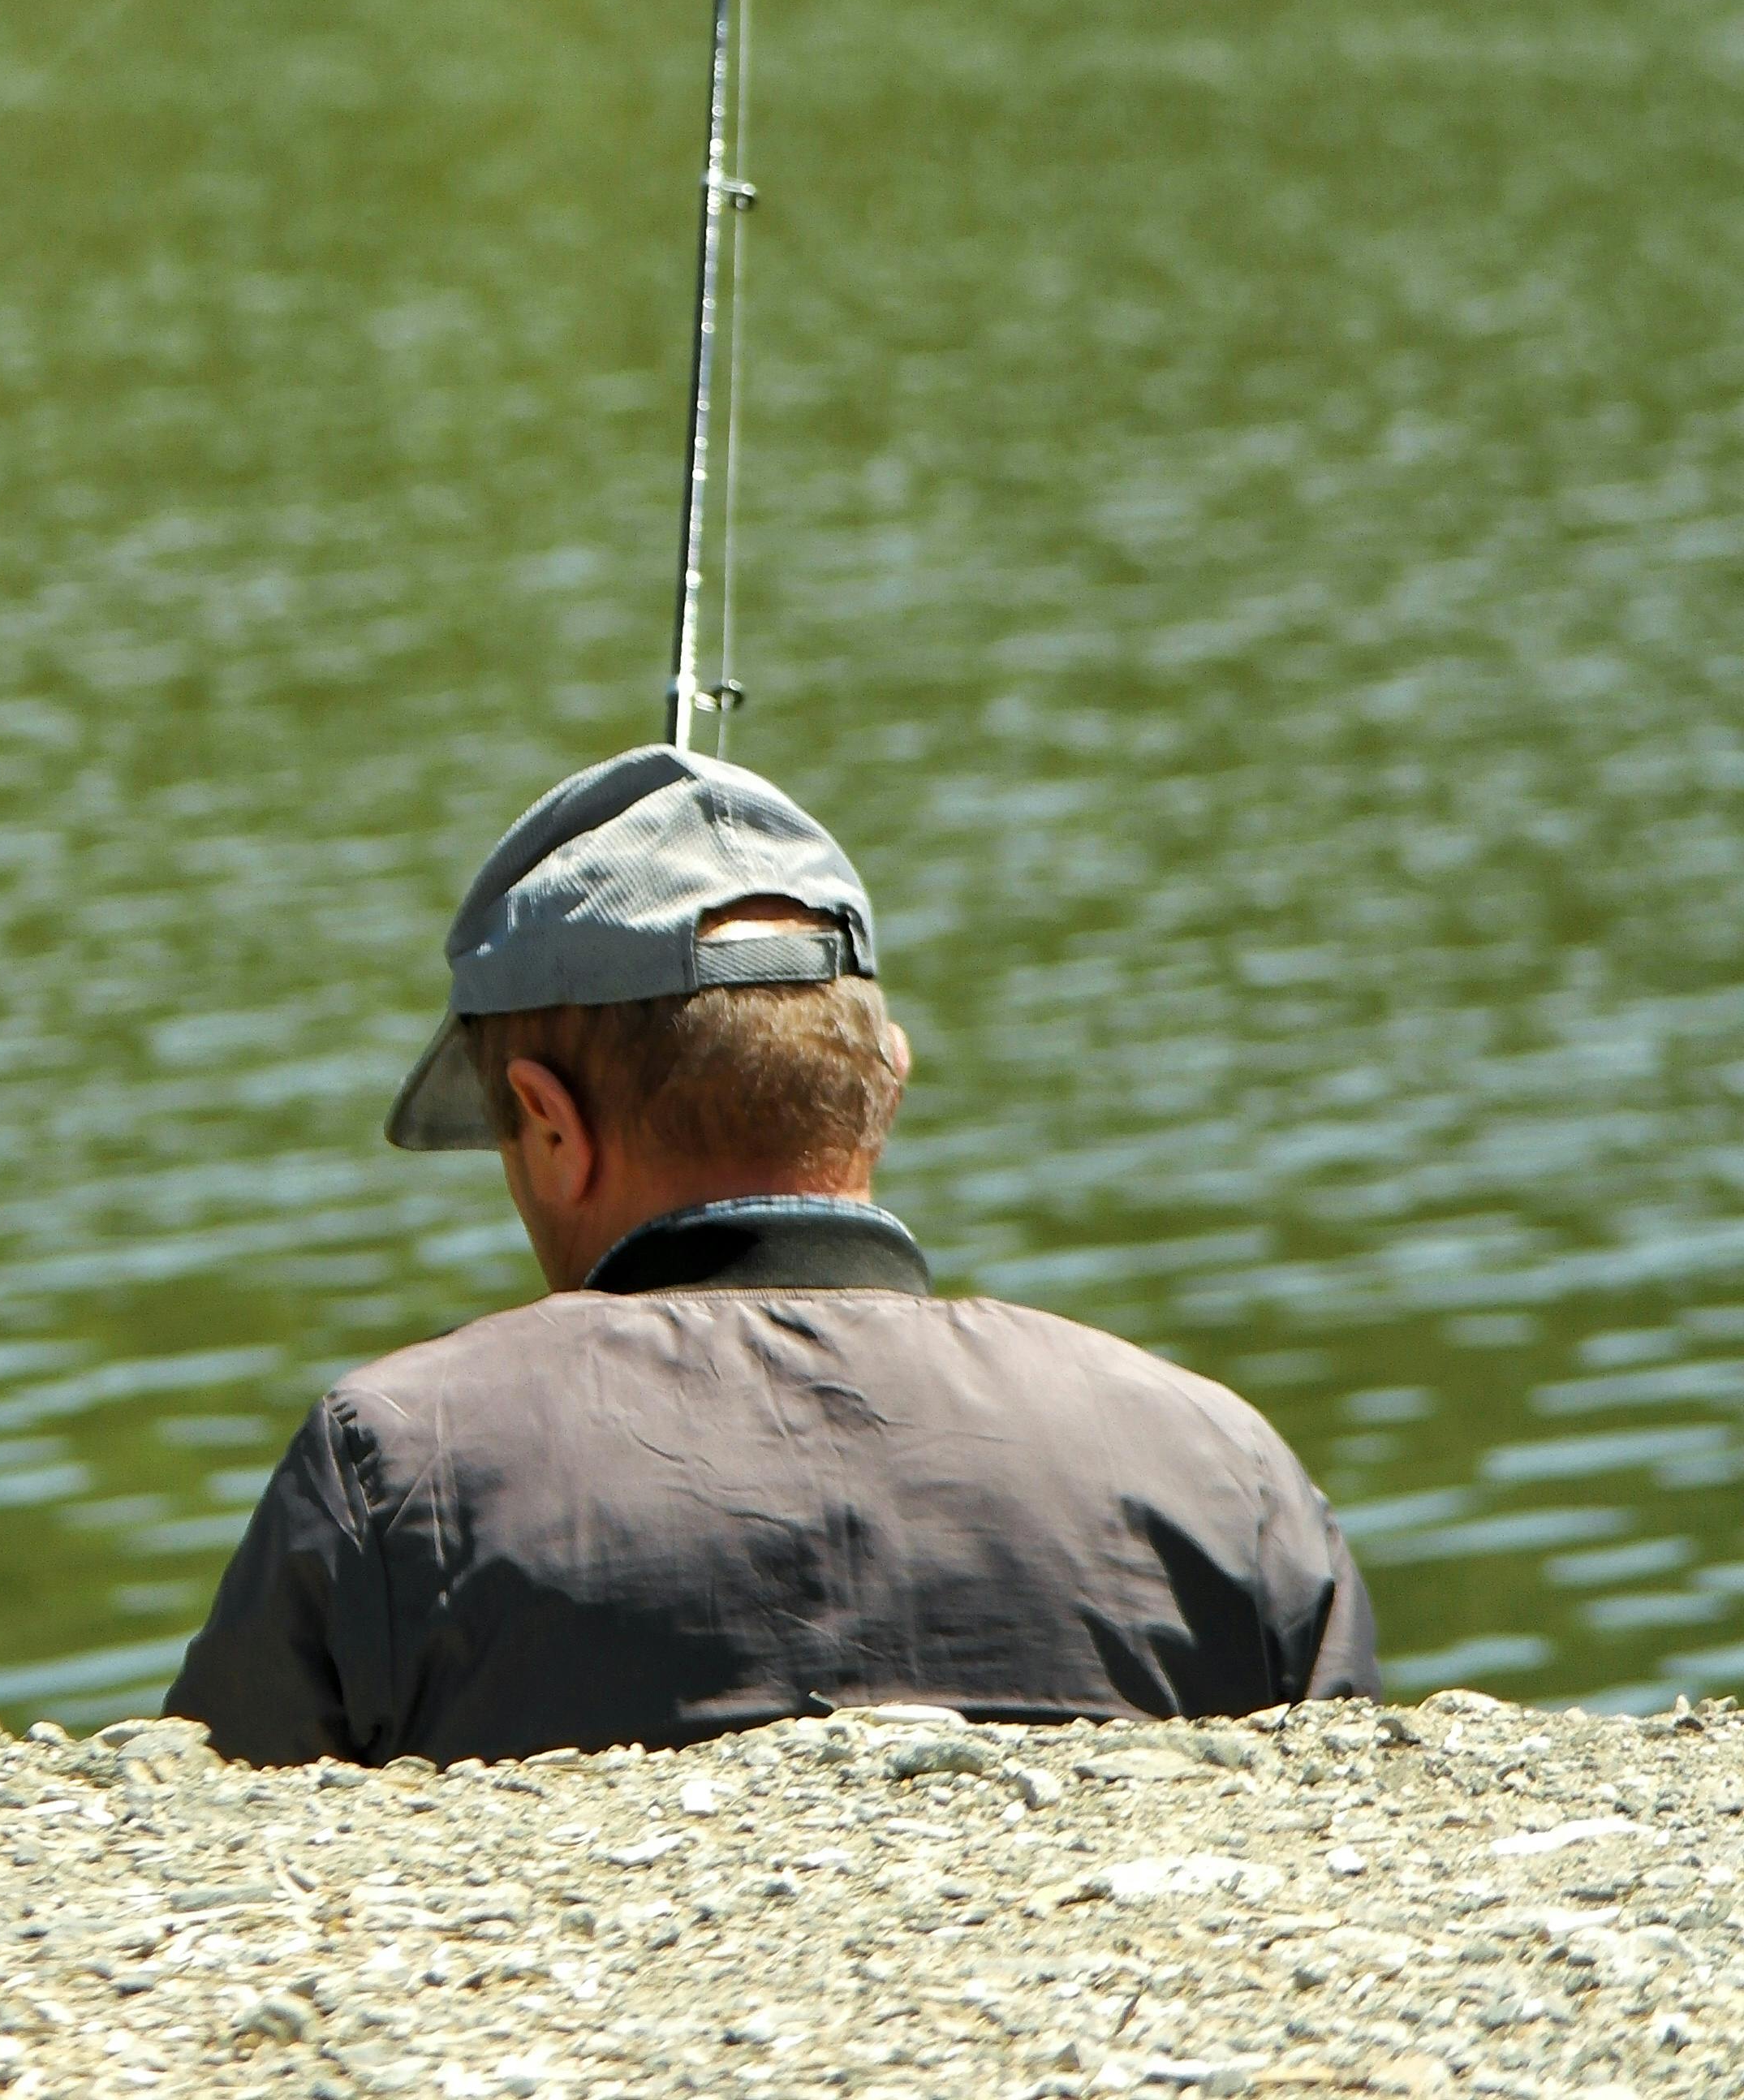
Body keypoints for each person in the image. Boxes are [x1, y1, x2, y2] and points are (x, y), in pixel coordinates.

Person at [167, 744, 1376, 1763]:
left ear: (550, 1123)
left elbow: (228, 1875)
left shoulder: (389, 1471)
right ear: (884, 1085)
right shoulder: (1219, 1466)